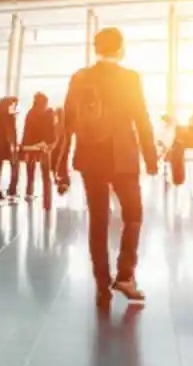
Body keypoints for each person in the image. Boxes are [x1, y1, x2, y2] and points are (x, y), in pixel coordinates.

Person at [58, 27, 157, 305]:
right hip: (123, 156)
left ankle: (102, 281)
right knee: (133, 215)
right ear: (121, 48)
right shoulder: (130, 78)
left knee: (98, 219)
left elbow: (67, 123)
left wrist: (61, 164)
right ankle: (125, 276)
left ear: (96, 48)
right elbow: (141, 116)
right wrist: (150, 156)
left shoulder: (80, 77)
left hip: (91, 157)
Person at [20, 92, 56, 201]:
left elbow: (27, 132)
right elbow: (51, 131)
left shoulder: (31, 114)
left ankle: (29, 192)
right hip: (42, 146)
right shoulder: (48, 114)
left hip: (32, 146)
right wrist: (48, 143)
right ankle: (46, 196)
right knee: (45, 173)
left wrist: (26, 145)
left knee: (30, 171)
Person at [0, 96, 20, 202]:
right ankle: (12, 189)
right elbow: (11, 131)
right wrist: (13, 144)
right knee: (14, 165)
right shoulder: (8, 114)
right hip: (6, 144)